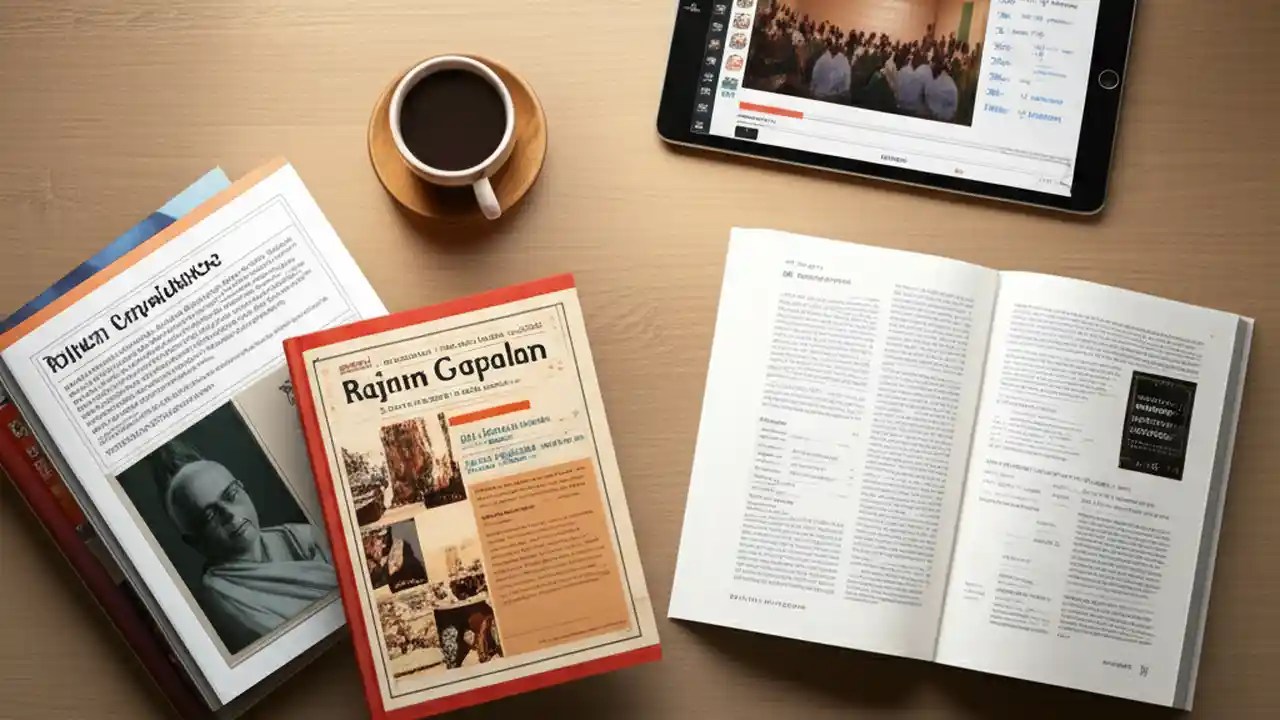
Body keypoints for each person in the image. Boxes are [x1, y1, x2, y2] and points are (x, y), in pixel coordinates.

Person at [153, 442, 338, 653]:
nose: (230, 514)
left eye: (231, 495)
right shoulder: (222, 599)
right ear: (195, 542)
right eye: (210, 515)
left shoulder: (301, 535)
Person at [925, 56, 959, 121]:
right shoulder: (951, 84)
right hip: (947, 118)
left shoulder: (934, 83)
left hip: (935, 117)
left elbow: (927, 97)